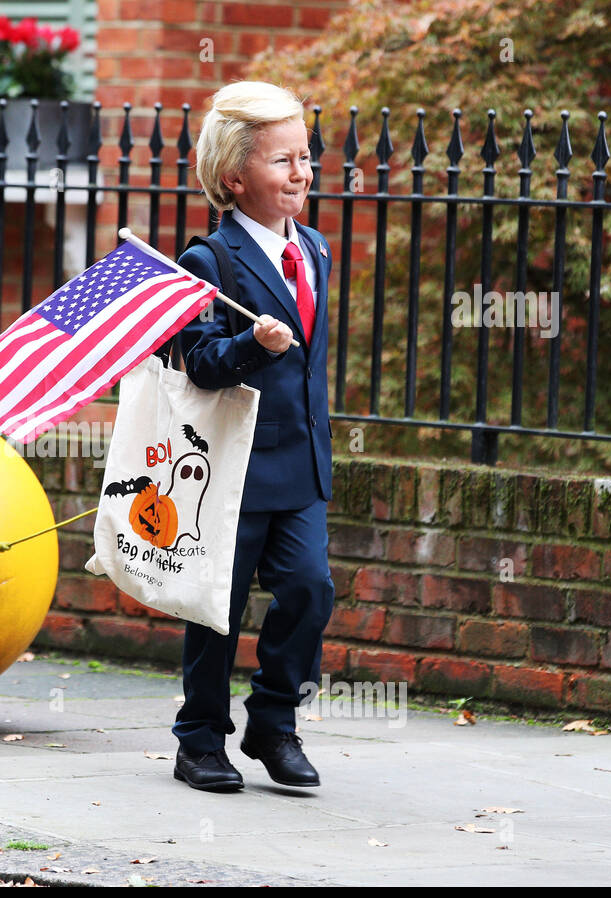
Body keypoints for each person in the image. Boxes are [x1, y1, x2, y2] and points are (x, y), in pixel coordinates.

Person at [170, 80, 335, 793]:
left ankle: (274, 722)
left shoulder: (318, 251)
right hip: (231, 466)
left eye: (305, 157)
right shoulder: (211, 261)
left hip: (299, 464)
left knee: (309, 589)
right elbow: (199, 363)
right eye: (282, 161)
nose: (301, 173)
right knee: (218, 606)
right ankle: (201, 738)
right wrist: (249, 345)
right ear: (236, 178)